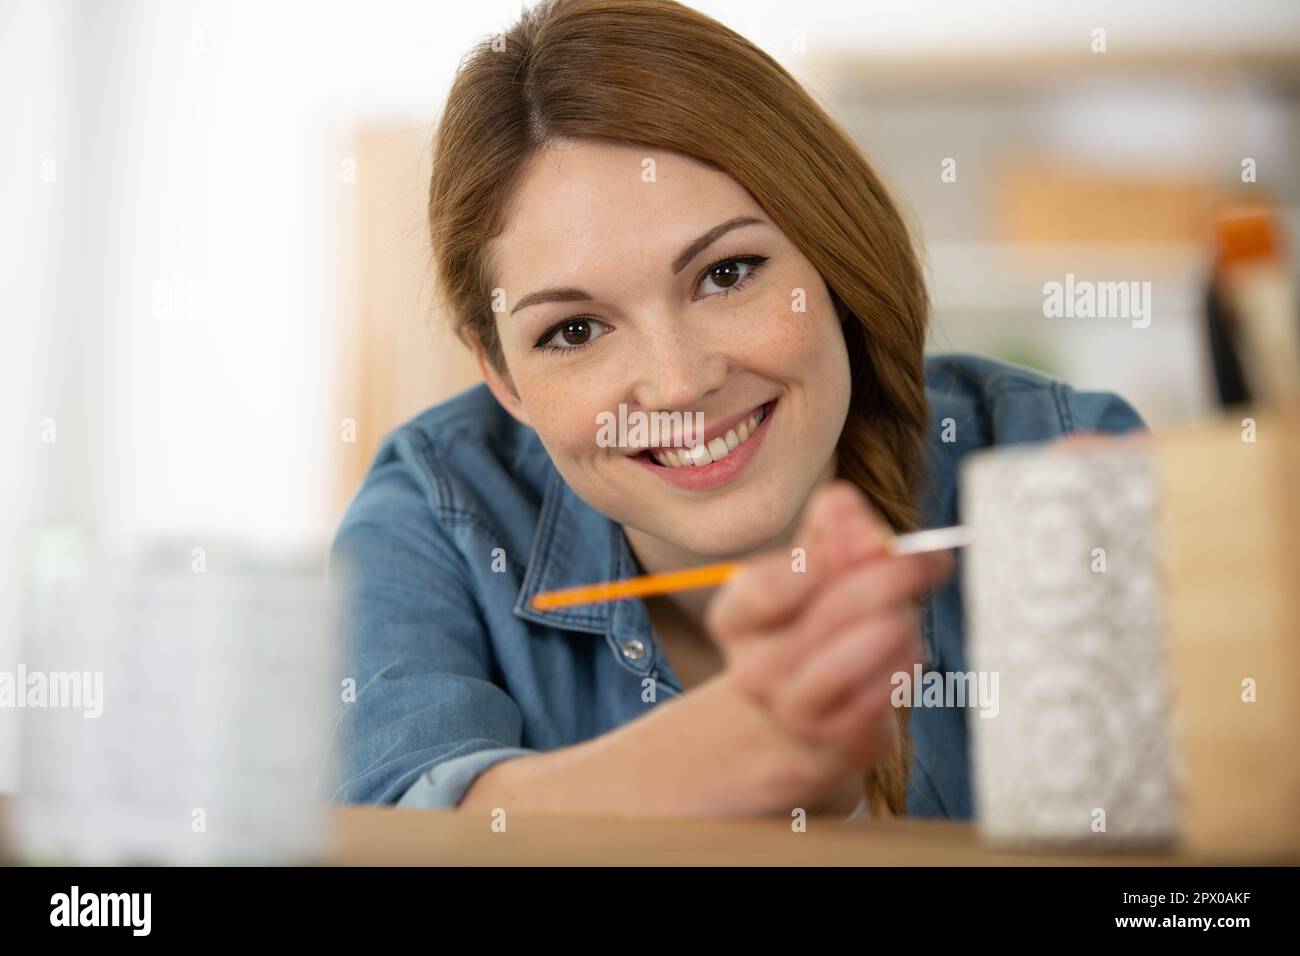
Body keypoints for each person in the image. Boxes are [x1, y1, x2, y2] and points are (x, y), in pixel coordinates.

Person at [326, 0, 1144, 820]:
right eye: (575, 330)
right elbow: (388, 827)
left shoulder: (1056, 451)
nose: (679, 384)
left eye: (727, 273)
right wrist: (733, 757)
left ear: (833, 255)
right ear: (501, 377)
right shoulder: (436, 515)